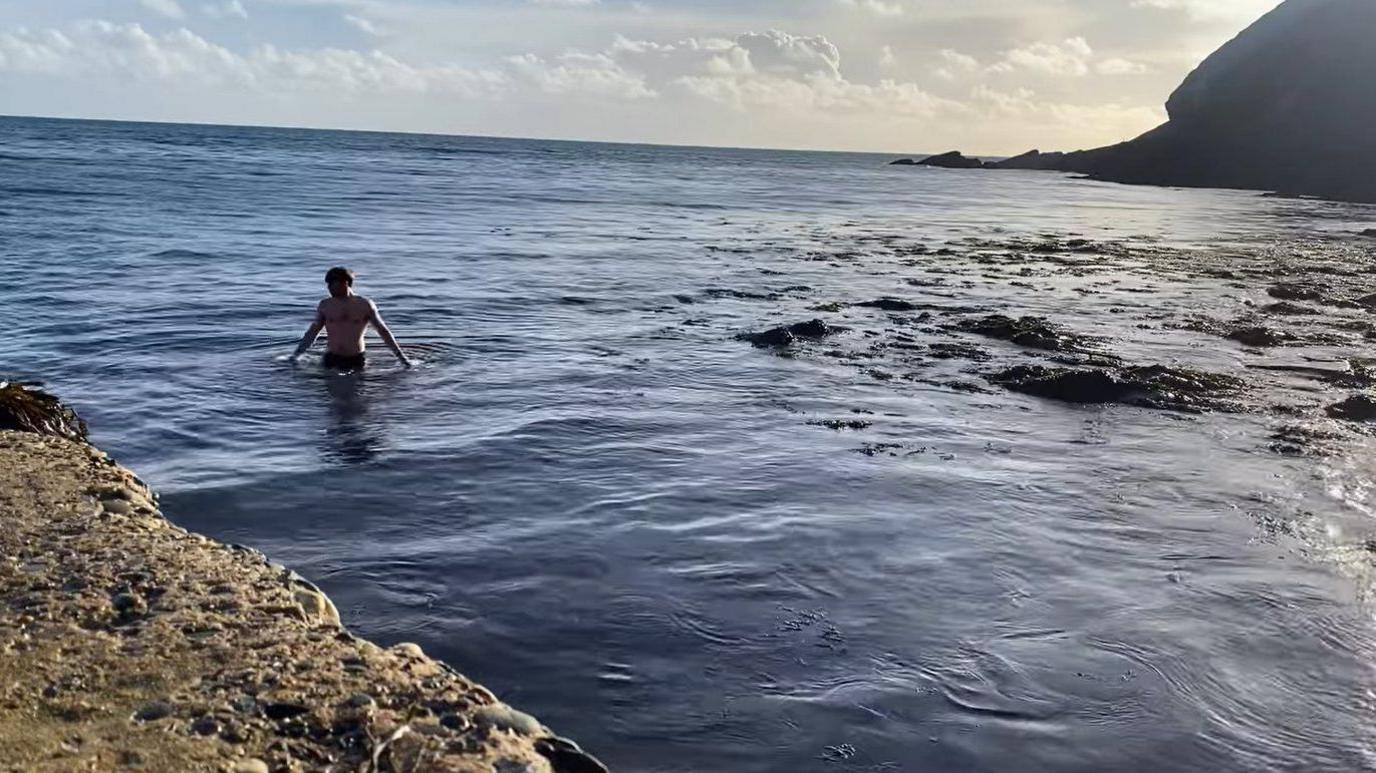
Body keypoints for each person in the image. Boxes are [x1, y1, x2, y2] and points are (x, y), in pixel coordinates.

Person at [290, 267, 412, 369]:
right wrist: (296, 355)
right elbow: (313, 331)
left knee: (355, 394)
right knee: (328, 395)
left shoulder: (364, 305)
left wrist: (402, 358)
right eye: (328, 285)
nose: (329, 288)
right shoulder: (325, 305)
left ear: (345, 283)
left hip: (356, 358)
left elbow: (383, 331)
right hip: (331, 357)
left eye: (332, 284)